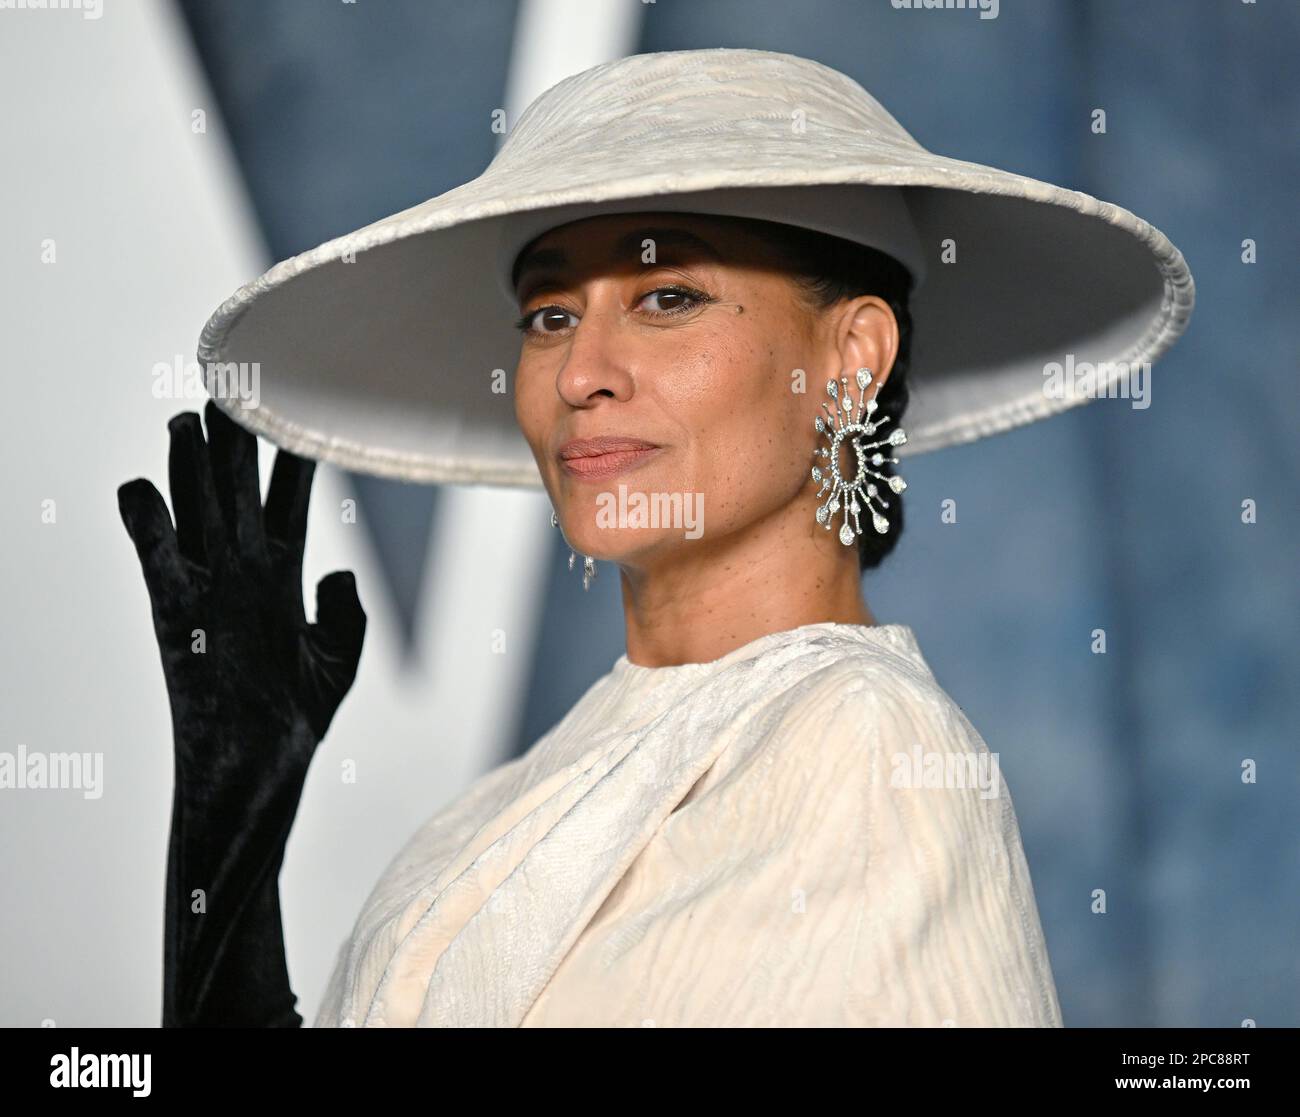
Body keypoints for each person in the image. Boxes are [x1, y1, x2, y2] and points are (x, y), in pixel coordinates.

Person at [119, 47, 1194, 1027]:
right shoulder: (503, 807)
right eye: (548, 316)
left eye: (667, 296)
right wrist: (235, 831)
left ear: (851, 356)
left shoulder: (871, 749)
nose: (582, 372)